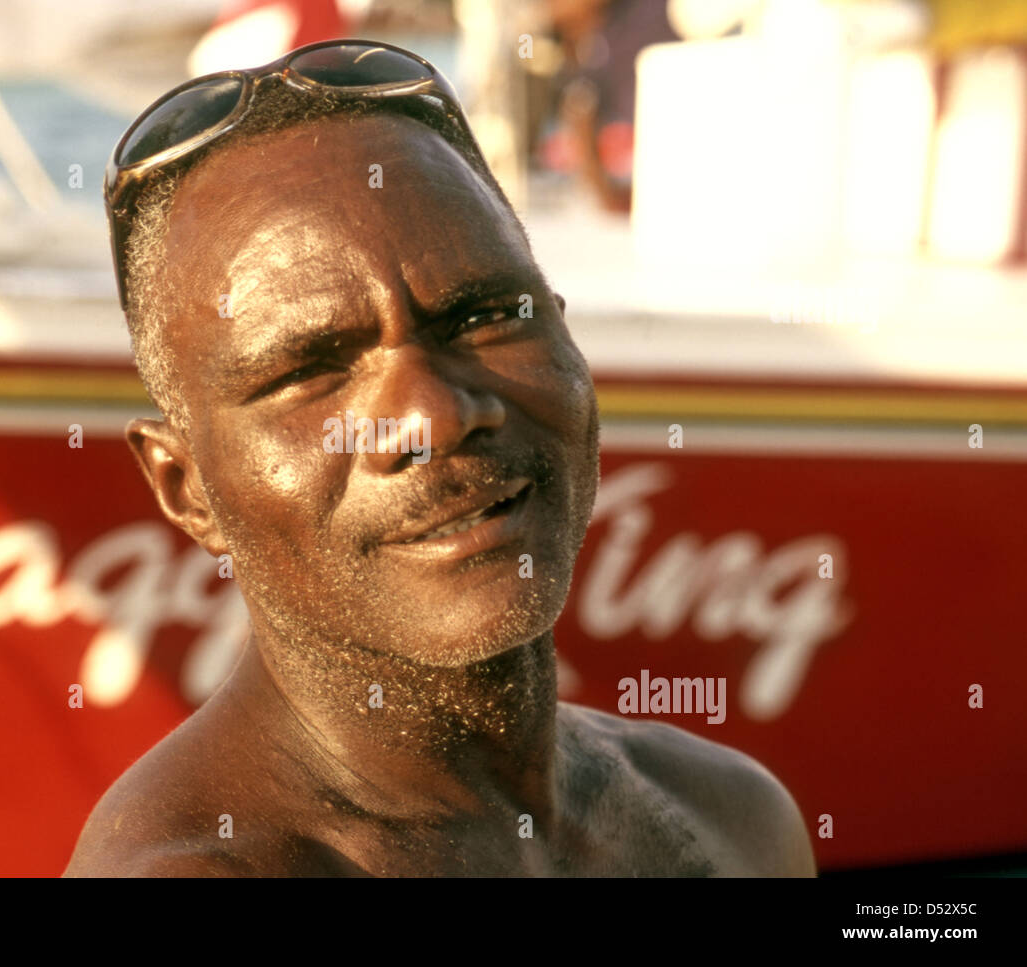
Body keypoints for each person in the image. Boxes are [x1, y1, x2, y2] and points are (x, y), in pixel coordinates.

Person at [65, 40, 815, 876]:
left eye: (484, 317)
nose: (432, 414)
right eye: (311, 372)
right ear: (186, 487)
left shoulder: (731, 815)